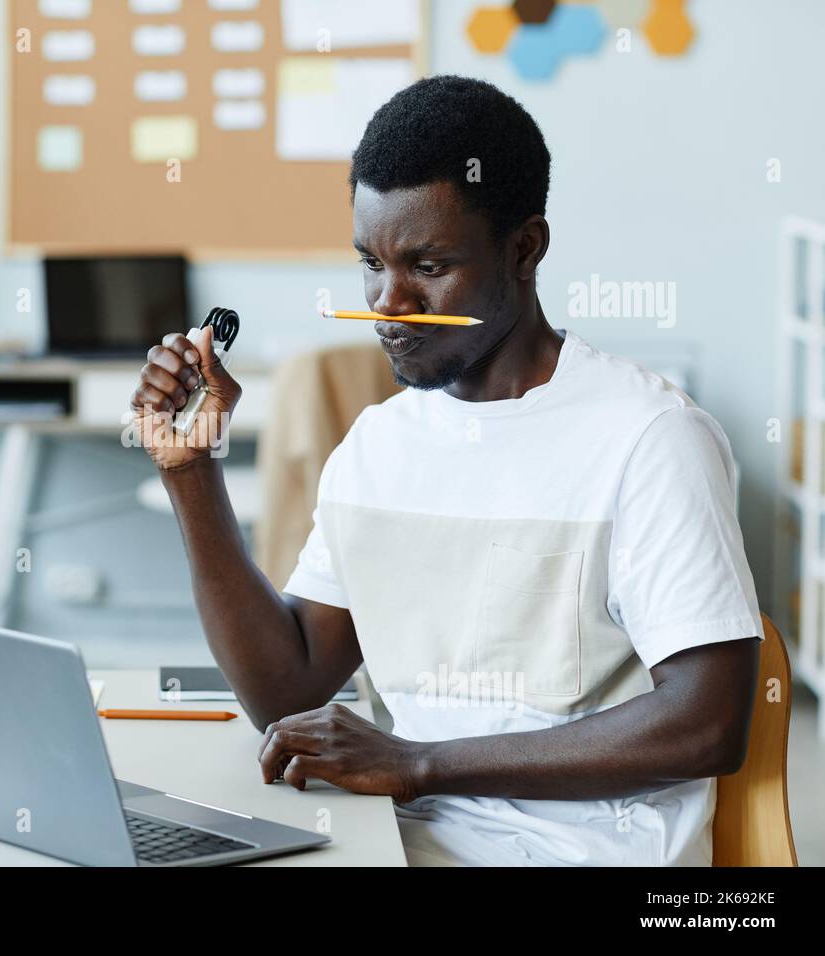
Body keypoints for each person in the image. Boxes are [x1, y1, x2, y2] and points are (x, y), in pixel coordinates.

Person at [128, 76, 763, 866]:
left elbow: (709, 721)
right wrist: (190, 473)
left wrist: (421, 764)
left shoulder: (651, 439)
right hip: (395, 841)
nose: (389, 303)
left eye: (428, 266)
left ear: (524, 249)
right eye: (370, 263)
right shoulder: (378, 446)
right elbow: (286, 692)